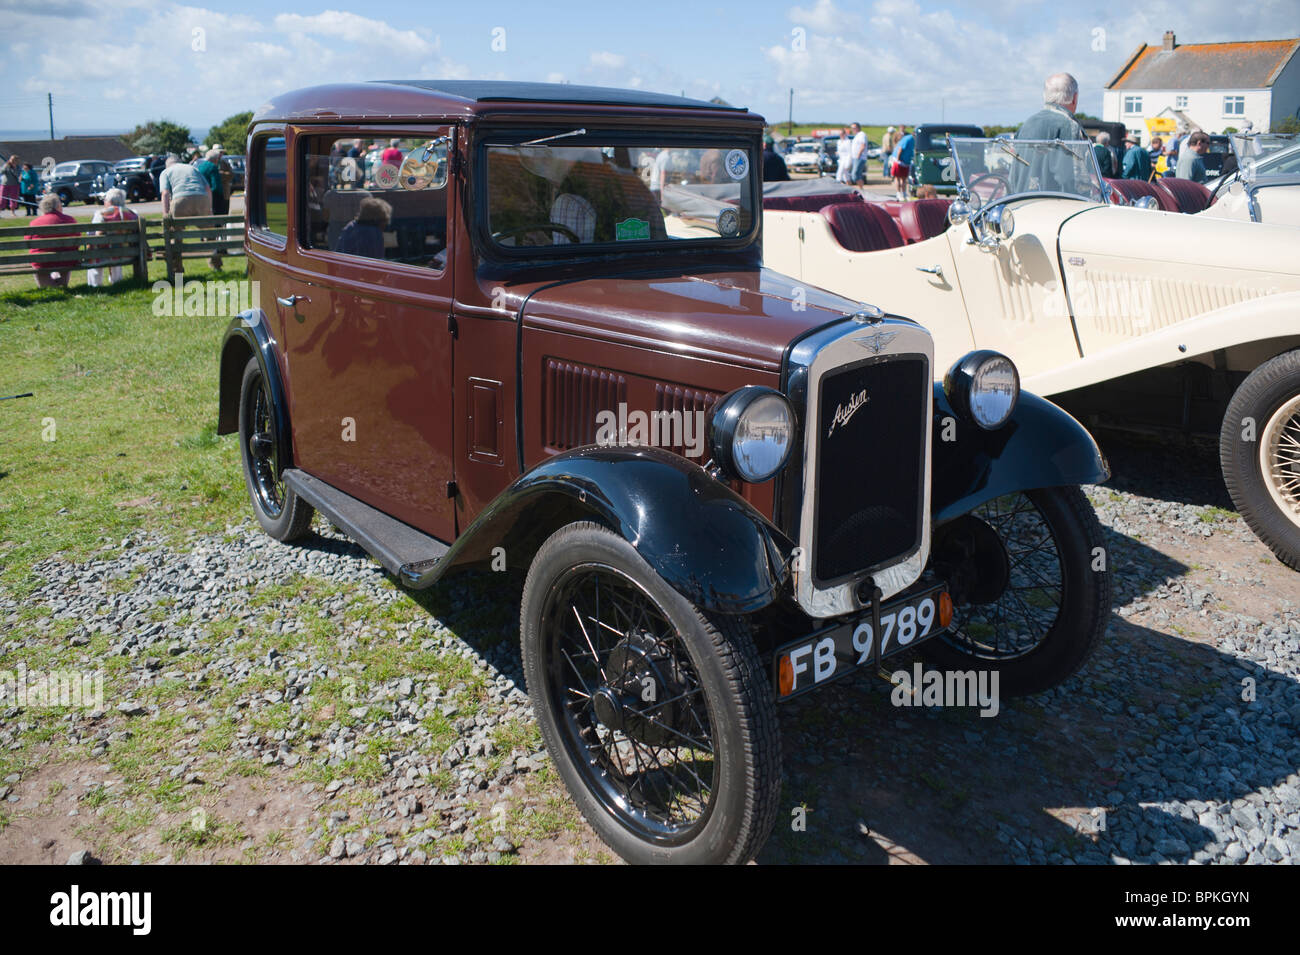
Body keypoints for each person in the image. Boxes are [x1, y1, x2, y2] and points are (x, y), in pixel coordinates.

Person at [1015, 72, 1088, 192]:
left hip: (1021, 203)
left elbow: (1015, 173)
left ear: (1045, 96)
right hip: (1055, 205)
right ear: (1074, 98)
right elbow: (1077, 180)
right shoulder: (1070, 126)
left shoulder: (1026, 124)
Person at [160, 155, 222, 270]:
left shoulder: (166, 172)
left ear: (167, 165)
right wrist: (209, 209)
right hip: (202, 198)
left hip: (180, 200)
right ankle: (216, 265)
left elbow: (165, 193)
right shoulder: (192, 168)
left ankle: (177, 268)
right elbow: (208, 189)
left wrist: (165, 214)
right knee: (210, 234)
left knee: (176, 235)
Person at [87, 187, 137, 287]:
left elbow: (91, 234)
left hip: (103, 253)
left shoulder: (101, 214)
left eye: (105, 200)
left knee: (96, 248)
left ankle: (94, 285)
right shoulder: (132, 214)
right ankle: (117, 281)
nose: (104, 202)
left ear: (109, 201)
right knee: (117, 248)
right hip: (128, 252)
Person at [26, 193, 79, 288]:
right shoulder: (70, 220)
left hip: (42, 261)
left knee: (39, 262)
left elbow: (28, 241)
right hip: (67, 260)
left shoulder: (35, 223)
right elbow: (77, 239)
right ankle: (61, 285)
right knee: (67, 257)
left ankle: (49, 287)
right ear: (58, 206)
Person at [195, 148, 226, 215]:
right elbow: (216, 186)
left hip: (202, 195)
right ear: (215, 159)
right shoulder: (213, 167)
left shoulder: (200, 166)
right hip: (214, 197)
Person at [891, 124, 914, 200]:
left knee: (904, 179)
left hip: (905, 161)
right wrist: (898, 160)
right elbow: (900, 148)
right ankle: (898, 193)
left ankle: (904, 193)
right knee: (897, 178)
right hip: (899, 161)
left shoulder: (910, 137)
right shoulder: (908, 138)